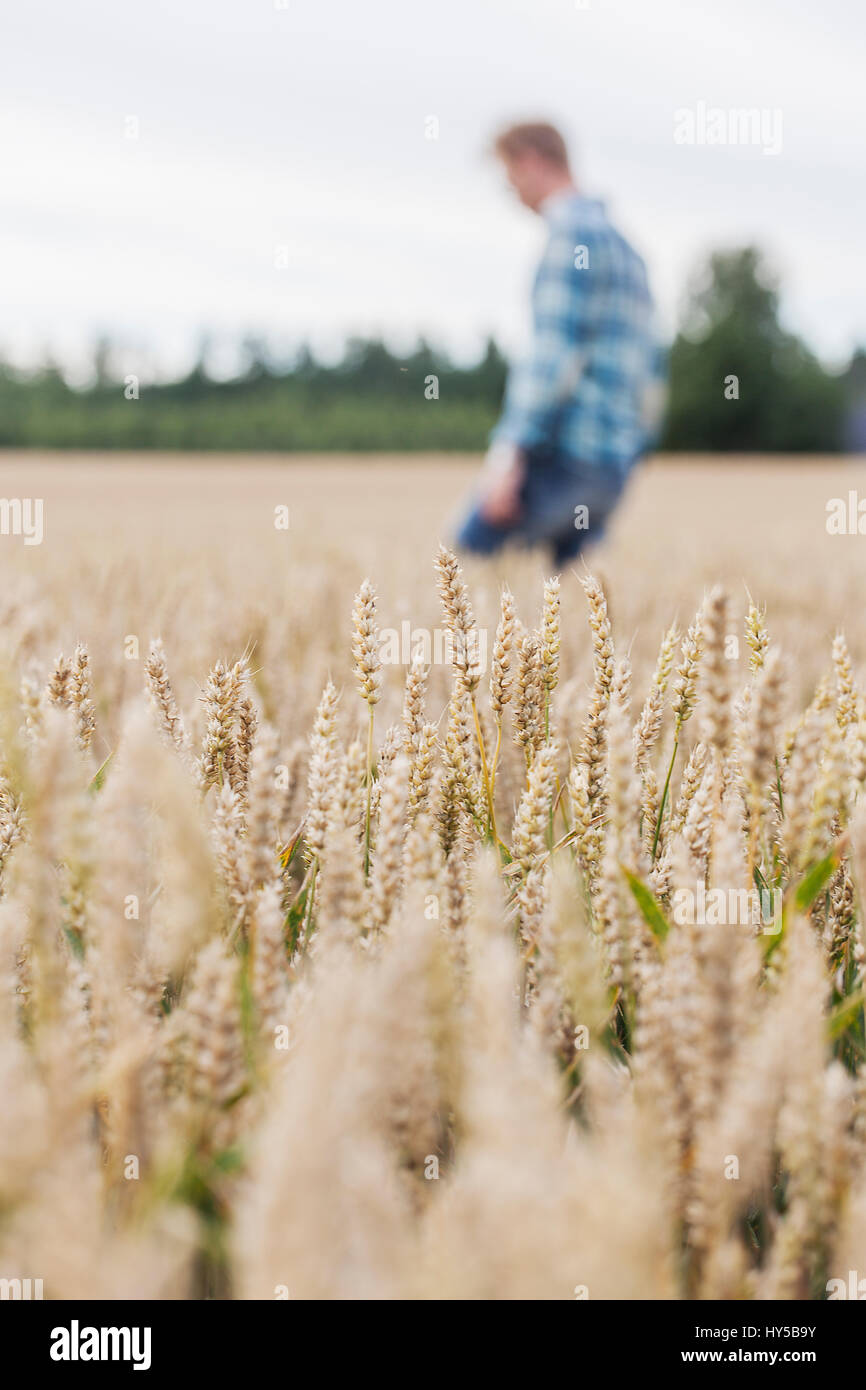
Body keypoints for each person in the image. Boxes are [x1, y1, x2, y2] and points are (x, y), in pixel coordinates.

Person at [455, 121, 664, 566]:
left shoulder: (570, 235)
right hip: (614, 465)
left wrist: (508, 458)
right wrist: (633, 448)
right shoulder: (629, 251)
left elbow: (552, 359)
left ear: (530, 161)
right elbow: (652, 371)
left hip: (566, 457)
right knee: (569, 612)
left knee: (465, 567)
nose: (510, 192)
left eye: (508, 176)